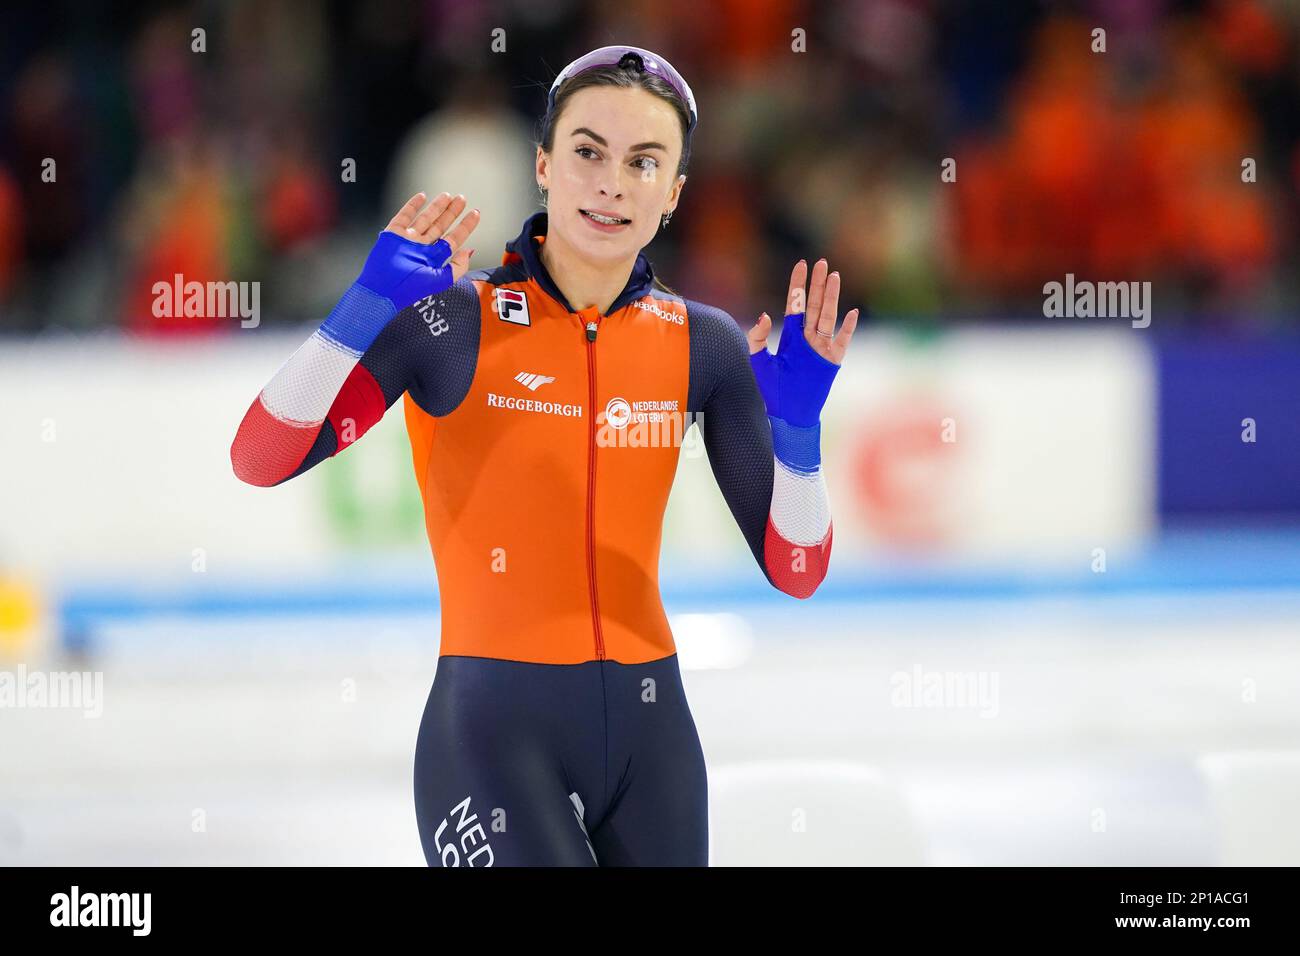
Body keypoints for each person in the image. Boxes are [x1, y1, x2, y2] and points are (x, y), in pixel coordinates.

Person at [230, 45, 858, 866]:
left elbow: (798, 571)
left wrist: (798, 432)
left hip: (653, 736)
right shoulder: (453, 324)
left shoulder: (703, 345)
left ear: (672, 194)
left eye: (643, 162)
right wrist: (366, 306)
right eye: (588, 152)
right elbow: (260, 457)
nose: (611, 182)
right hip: (491, 738)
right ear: (543, 166)